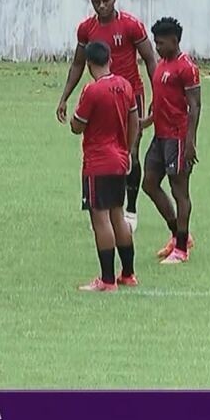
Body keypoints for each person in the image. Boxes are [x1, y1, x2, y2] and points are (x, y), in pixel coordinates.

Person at [56, 0, 157, 231]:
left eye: (106, 1)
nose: (101, 6)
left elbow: (149, 58)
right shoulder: (86, 29)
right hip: (102, 98)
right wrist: (65, 96)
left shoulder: (131, 25)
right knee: (104, 151)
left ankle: (130, 209)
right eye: (96, 2)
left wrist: (158, 95)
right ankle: (109, 208)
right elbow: (78, 64)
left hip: (130, 94)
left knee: (130, 151)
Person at [70, 42, 140, 292]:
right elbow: (135, 120)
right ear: (110, 59)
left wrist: (73, 121)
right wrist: (130, 149)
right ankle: (129, 274)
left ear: (89, 65)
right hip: (120, 159)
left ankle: (108, 280)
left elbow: (77, 125)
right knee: (117, 215)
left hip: (98, 162)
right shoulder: (125, 85)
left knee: (101, 220)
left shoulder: (92, 91)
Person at [141, 17, 202, 264]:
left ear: (175, 41)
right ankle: (179, 235)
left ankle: (181, 249)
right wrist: (146, 121)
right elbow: (162, 100)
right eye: (155, 42)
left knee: (180, 191)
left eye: (161, 43)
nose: (156, 47)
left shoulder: (186, 67)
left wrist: (190, 141)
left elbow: (195, 106)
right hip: (160, 135)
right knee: (149, 183)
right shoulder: (161, 65)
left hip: (177, 137)